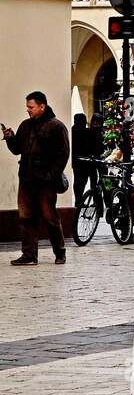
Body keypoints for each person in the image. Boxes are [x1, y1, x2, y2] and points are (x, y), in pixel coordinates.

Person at [2, 92, 70, 265]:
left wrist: (51, 176)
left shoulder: (57, 126)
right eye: (27, 107)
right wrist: (10, 138)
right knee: (26, 218)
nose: (28, 110)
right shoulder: (25, 126)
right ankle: (29, 255)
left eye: (31, 107)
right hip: (26, 180)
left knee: (50, 218)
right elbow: (17, 149)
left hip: (45, 183)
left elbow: (63, 154)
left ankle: (60, 253)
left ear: (42, 106)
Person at [71, 110, 103, 207]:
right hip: (89, 161)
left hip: (79, 161)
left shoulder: (73, 131)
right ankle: (95, 201)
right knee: (88, 181)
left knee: (79, 181)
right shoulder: (87, 132)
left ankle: (79, 200)